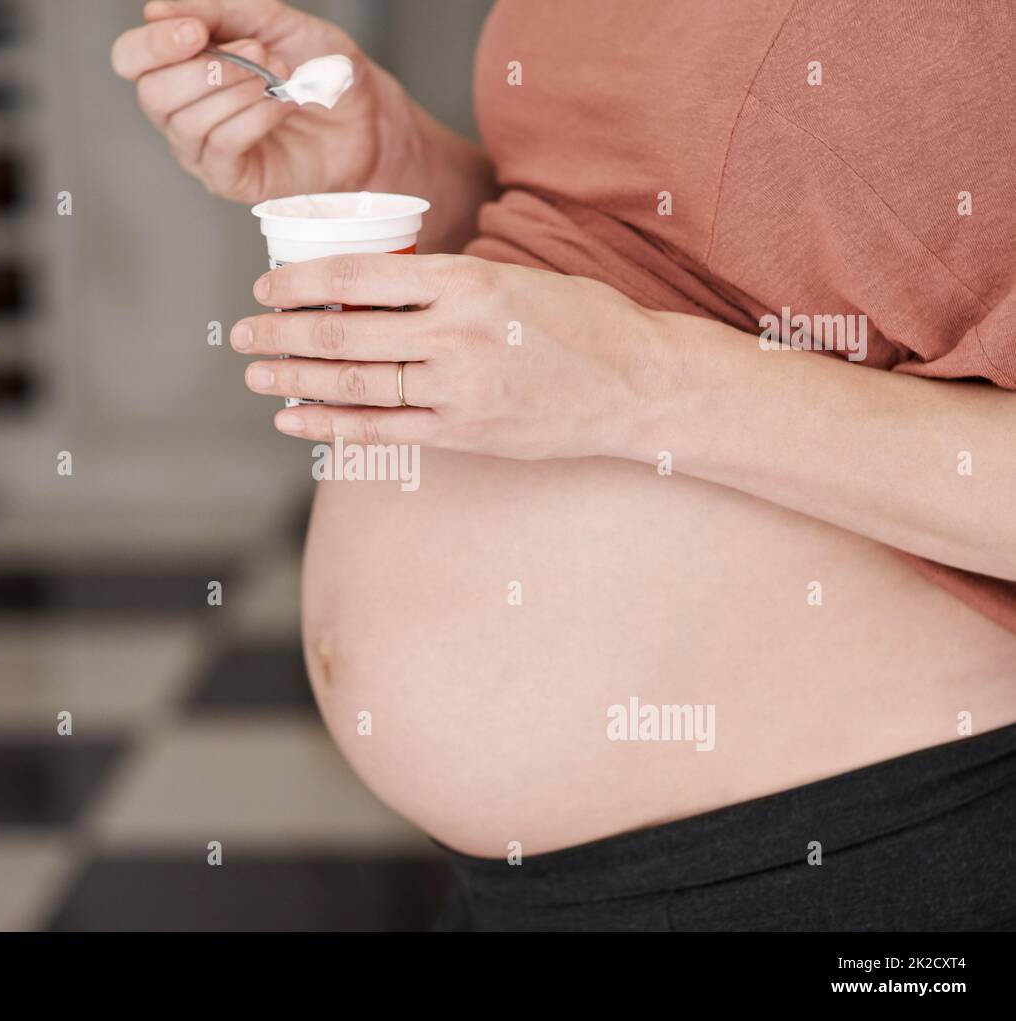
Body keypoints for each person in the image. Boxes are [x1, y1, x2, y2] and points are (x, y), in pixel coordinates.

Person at [113, 0, 1016, 930]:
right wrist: (396, 162)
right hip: (530, 886)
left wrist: (638, 381)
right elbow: (629, 239)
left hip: (850, 860)